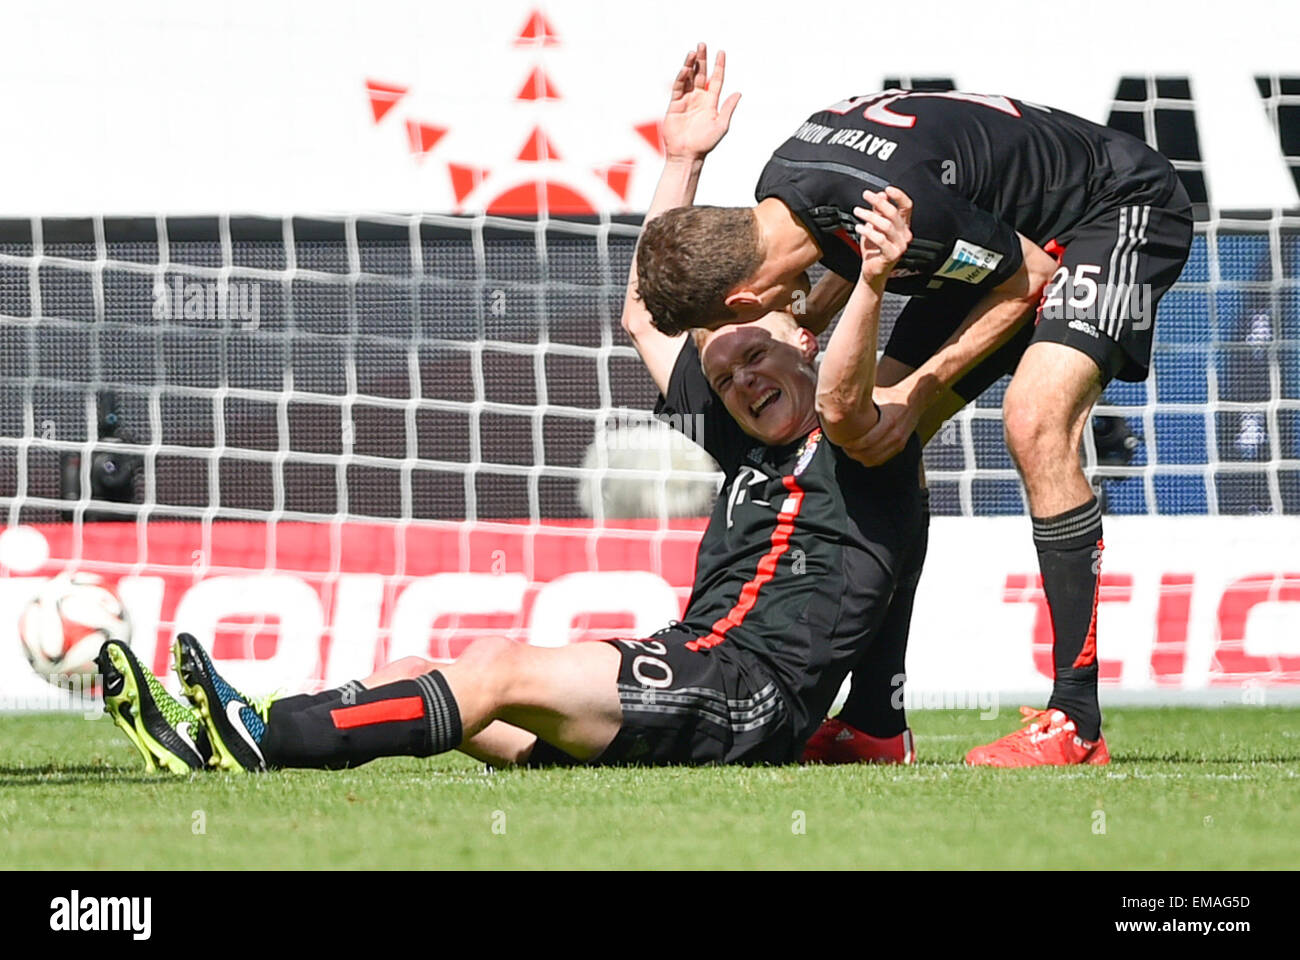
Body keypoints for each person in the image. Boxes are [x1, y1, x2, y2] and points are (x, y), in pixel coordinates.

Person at [94, 47, 928, 775]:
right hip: (692, 670)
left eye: (754, 357)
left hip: (749, 699)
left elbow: (847, 393)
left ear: (806, 343)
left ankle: (259, 736)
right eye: (727, 373)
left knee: (497, 665)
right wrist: (681, 160)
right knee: (428, 667)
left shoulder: (870, 438)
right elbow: (646, 311)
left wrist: (874, 282)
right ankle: (213, 737)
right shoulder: (737, 439)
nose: (741, 382)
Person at [635, 81, 1195, 766]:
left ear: (746, 299)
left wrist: (924, 387)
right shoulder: (780, 187)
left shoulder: (903, 207)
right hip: (990, 234)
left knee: (1032, 421)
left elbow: (1031, 272)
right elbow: (847, 255)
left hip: (1107, 209)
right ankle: (876, 720)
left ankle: (1076, 720)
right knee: (867, 436)